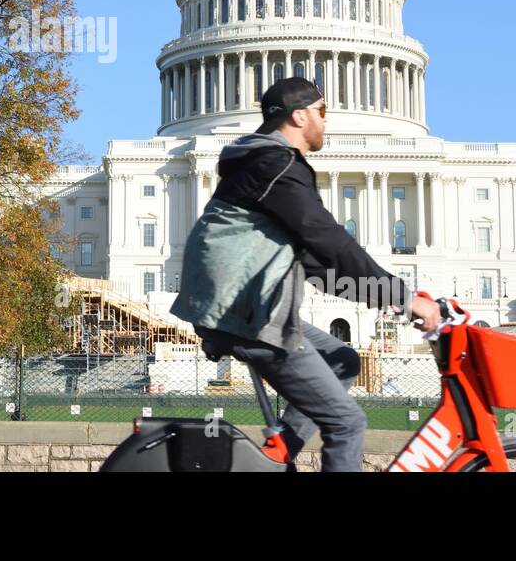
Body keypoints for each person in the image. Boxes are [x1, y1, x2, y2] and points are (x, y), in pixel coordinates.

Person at [170, 77, 442, 471]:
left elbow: (318, 265)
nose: (327, 122)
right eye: (323, 112)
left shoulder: (264, 163)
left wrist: (395, 302)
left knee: (345, 360)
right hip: (246, 314)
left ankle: (277, 455)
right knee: (347, 422)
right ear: (300, 116)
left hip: (241, 307)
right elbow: (326, 237)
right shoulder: (275, 165)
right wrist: (401, 296)